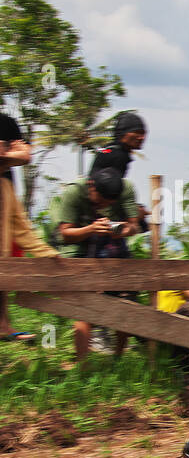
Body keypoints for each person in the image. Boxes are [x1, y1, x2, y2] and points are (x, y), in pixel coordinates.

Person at [50, 167, 143, 360]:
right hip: (77, 250)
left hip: (113, 250)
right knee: (84, 305)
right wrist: (91, 229)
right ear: (91, 186)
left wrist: (123, 231)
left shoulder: (126, 189)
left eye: (108, 204)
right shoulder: (74, 192)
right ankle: (82, 364)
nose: (102, 206)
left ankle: (118, 360)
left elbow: (135, 226)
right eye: (99, 202)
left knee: (127, 303)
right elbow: (64, 234)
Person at [0, 112, 59, 343]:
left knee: (4, 266)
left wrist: (45, 253)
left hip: (6, 194)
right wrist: (12, 153)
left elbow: (25, 155)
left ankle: (3, 326)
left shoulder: (6, 122)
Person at [88, 111, 147, 177]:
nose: (141, 137)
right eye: (137, 132)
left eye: (143, 133)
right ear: (124, 133)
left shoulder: (108, 149)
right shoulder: (118, 155)